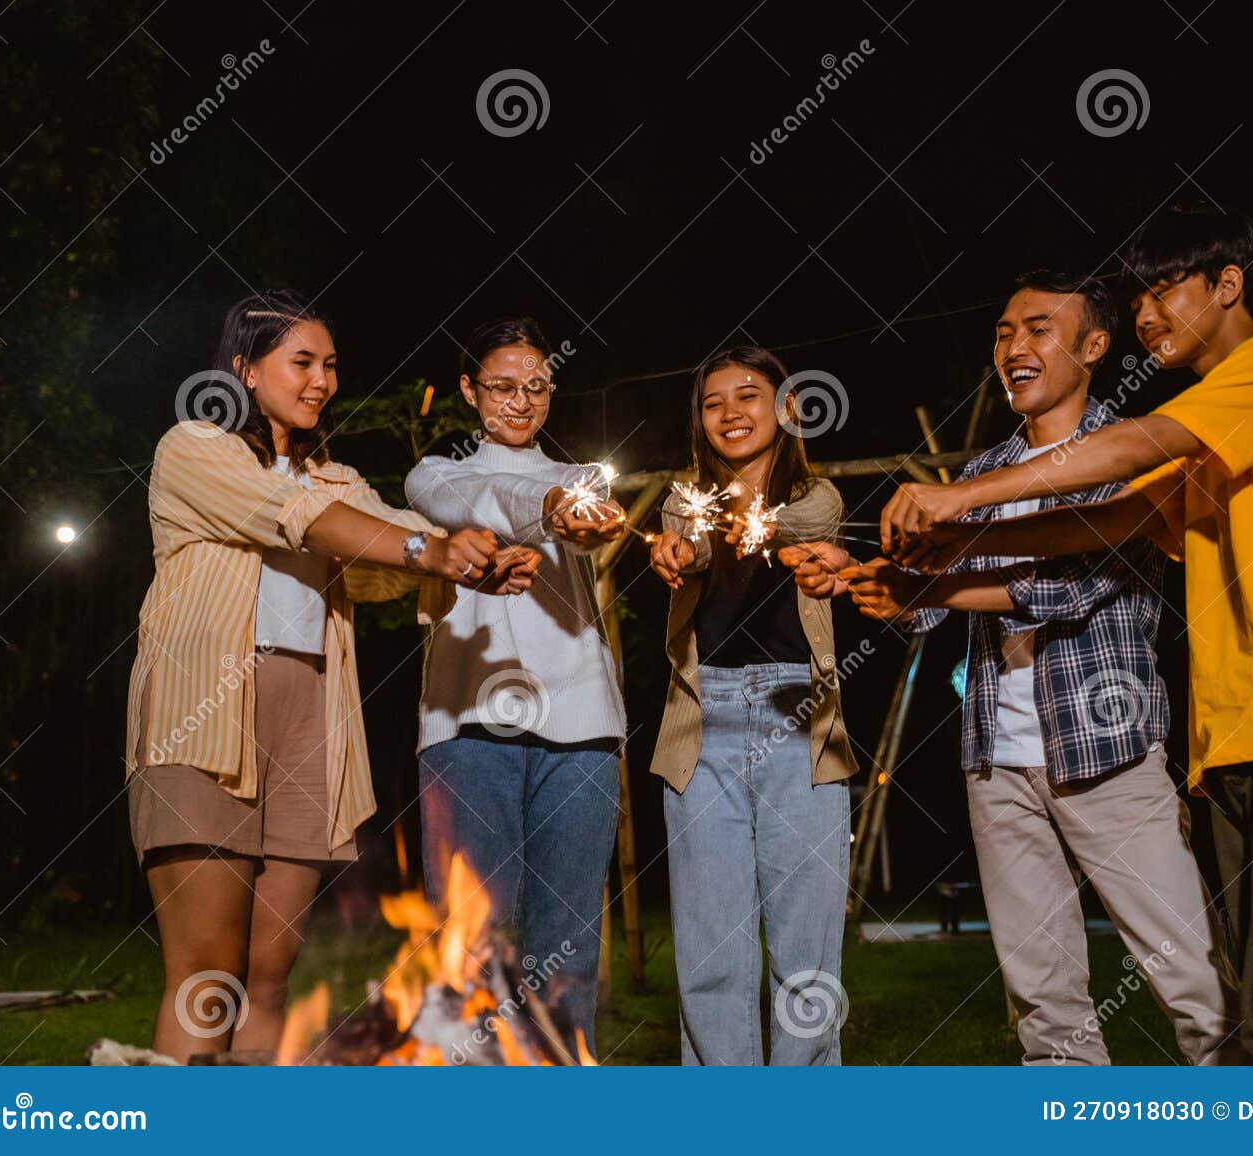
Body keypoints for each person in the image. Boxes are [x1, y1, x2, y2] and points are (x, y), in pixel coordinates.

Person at [881, 210, 1253, 1063]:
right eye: (1136, 302)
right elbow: (1100, 523)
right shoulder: (1207, 438)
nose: (1146, 316)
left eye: (1162, 290)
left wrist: (958, 501)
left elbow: (1129, 451)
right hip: (1233, 745)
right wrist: (936, 555)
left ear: (1228, 284)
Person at [784, 271, 1240, 1065]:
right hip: (997, 760)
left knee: (1196, 983)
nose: (1013, 347)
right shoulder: (983, 472)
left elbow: (1071, 586)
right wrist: (860, 573)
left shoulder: (1134, 450)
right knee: (1044, 1002)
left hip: (1109, 752)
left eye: (1037, 329)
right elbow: (931, 602)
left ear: (1095, 347)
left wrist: (929, 585)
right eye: (1003, 332)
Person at [124, 290, 538, 1063]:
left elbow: (397, 540)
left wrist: (474, 558)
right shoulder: (195, 448)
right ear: (246, 370)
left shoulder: (334, 478)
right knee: (207, 972)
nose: (322, 381)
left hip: (310, 719)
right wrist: (430, 551)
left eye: (331, 365)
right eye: (303, 363)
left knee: (268, 972)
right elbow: (297, 518)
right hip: (204, 716)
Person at [404, 316, 627, 1052]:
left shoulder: (582, 479)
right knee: (473, 943)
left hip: (582, 724)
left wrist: (570, 508)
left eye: (537, 386)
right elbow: (478, 496)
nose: (521, 401)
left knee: (567, 947)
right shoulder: (435, 475)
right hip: (469, 722)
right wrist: (548, 510)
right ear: (469, 390)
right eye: (502, 386)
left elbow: (578, 500)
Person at [647, 345, 860, 1065]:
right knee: (709, 947)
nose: (730, 412)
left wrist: (742, 522)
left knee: (806, 950)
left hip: (799, 717)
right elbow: (693, 540)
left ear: (789, 408)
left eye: (748, 395)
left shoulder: (817, 497)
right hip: (702, 720)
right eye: (713, 403)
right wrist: (681, 551)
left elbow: (802, 525)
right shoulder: (683, 501)